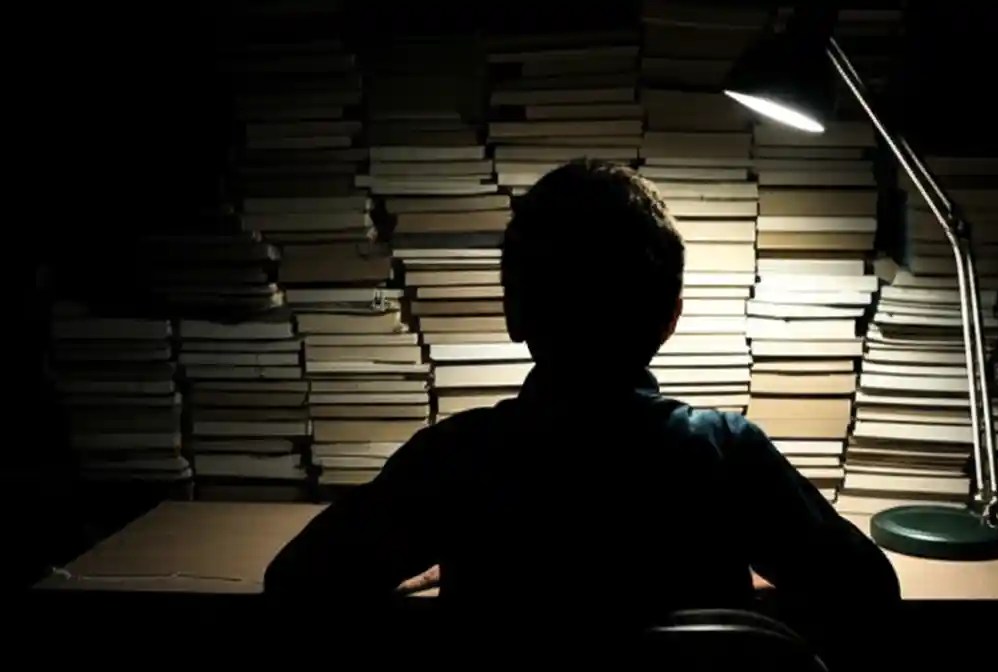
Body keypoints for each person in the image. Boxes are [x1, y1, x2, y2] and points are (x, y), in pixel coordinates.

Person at [265, 160, 899, 637]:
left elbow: (295, 581)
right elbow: (869, 593)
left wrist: (404, 563)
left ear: (513, 311)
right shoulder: (727, 453)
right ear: (670, 319)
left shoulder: (456, 457)